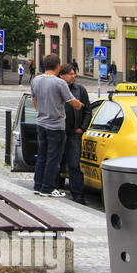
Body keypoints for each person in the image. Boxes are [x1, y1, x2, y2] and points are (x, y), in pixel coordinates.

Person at [30, 53, 83, 197]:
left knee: (41, 155)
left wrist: (41, 111)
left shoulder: (36, 80)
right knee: (53, 158)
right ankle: (47, 188)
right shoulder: (59, 83)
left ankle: (38, 185)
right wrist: (79, 105)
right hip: (56, 126)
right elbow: (71, 101)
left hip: (41, 123)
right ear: (58, 66)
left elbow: (33, 100)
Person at [58, 63, 91, 204]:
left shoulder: (79, 90)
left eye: (74, 74)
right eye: (70, 74)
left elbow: (87, 110)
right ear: (62, 75)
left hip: (74, 133)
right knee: (56, 162)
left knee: (74, 164)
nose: (73, 76)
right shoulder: (57, 87)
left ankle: (77, 196)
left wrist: (82, 128)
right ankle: (54, 187)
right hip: (59, 131)